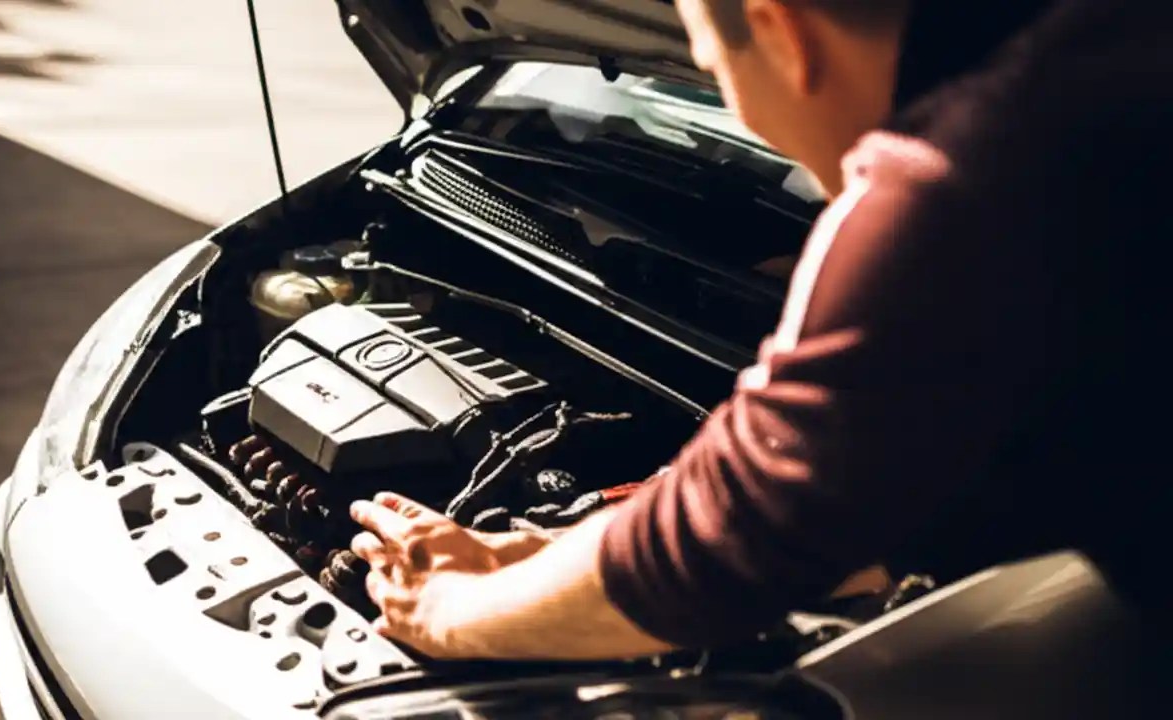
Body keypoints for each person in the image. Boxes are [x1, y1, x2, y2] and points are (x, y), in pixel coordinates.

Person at [347, 0, 1172, 659]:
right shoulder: (1105, 69)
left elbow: (721, 548)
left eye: (709, 67)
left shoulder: (967, 188)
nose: (727, 90)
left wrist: (453, 606)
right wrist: (544, 561)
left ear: (781, 31)